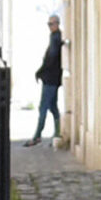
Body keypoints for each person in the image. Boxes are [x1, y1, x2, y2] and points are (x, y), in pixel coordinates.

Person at [26, 13, 64, 145]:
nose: (50, 27)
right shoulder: (56, 37)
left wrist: (41, 71)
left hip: (50, 78)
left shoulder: (56, 38)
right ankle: (58, 132)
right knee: (53, 106)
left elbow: (51, 58)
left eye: (52, 24)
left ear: (57, 24)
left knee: (43, 107)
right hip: (53, 78)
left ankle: (37, 135)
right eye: (49, 24)